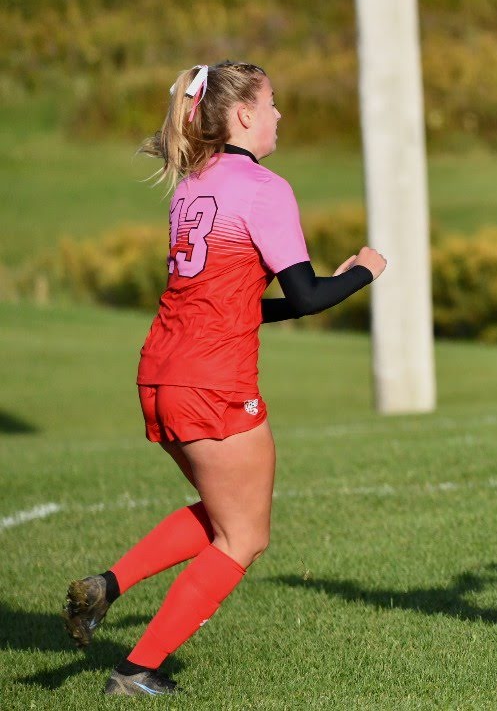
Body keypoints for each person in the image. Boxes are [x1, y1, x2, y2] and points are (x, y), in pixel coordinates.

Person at [61, 61, 387, 696]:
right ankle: (135, 670)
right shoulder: (265, 188)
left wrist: (331, 283)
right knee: (245, 535)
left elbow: (241, 303)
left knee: (224, 513)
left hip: (160, 371)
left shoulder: (192, 184)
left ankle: (108, 586)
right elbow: (307, 297)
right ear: (242, 115)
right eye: (271, 103)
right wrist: (363, 272)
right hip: (213, 381)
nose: (278, 115)